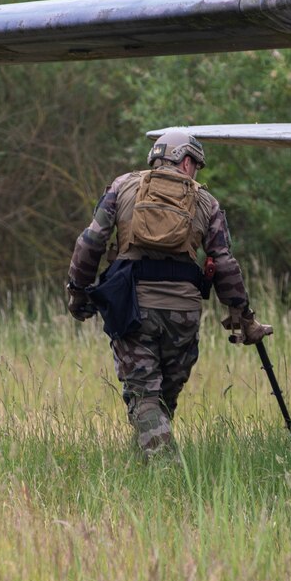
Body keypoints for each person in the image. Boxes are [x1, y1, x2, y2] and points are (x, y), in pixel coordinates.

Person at [66, 130, 271, 459]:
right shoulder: (206, 201)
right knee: (160, 402)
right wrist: (242, 315)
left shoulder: (122, 186)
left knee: (145, 399)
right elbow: (223, 262)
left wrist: (78, 291)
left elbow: (91, 243)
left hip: (133, 307)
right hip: (184, 314)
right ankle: (146, 479)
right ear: (187, 161)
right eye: (197, 166)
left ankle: (169, 471)